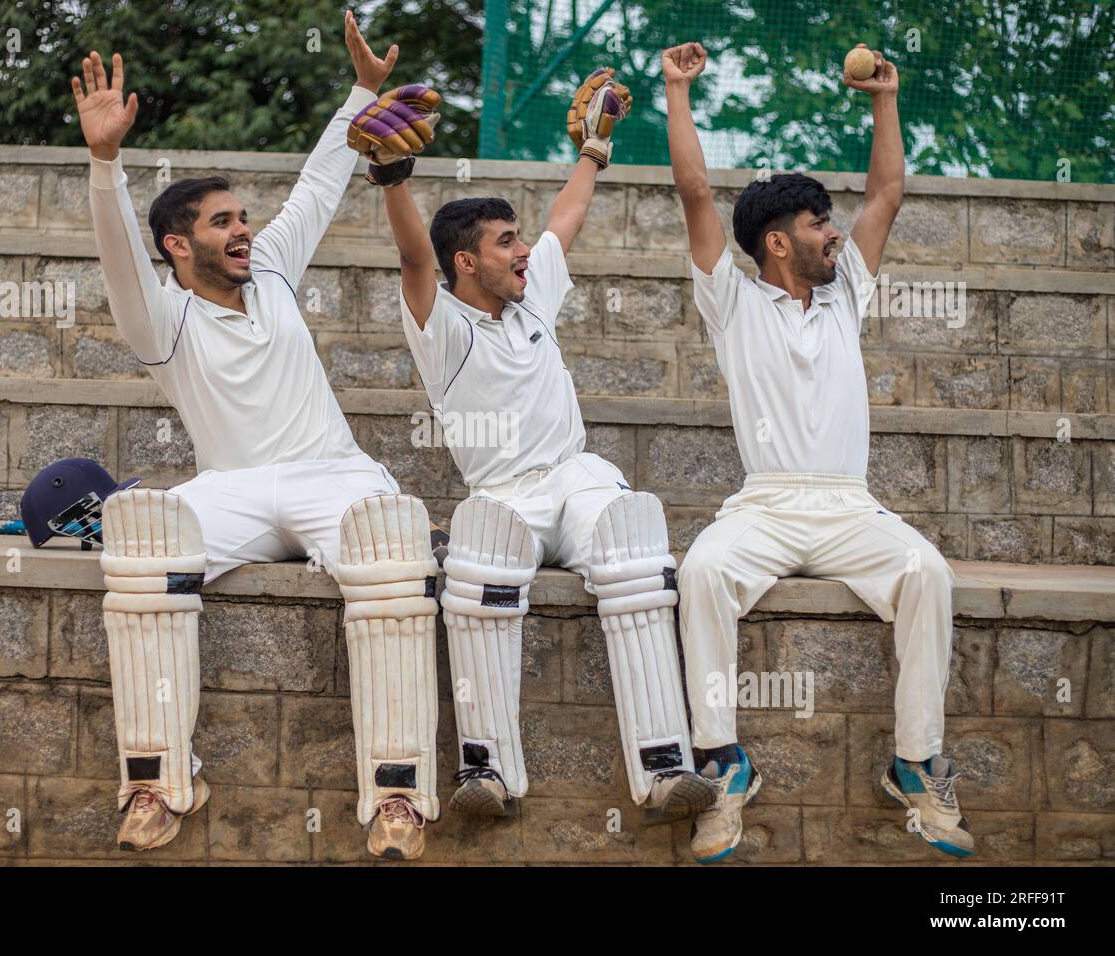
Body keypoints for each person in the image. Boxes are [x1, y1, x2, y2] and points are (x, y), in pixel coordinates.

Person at [72, 11, 440, 861]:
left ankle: (397, 795)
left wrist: (362, 90)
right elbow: (119, 254)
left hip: (331, 476)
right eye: (220, 223)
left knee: (391, 555)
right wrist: (104, 162)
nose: (243, 230)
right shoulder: (159, 319)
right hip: (231, 487)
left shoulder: (270, 267)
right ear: (178, 244)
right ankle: (160, 781)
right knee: (140, 542)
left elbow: (318, 182)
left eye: (243, 216)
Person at [350, 70, 717, 825]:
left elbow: (565, 220)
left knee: (635, 541)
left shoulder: (531, 296)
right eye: (505, 243)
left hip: (577, 480)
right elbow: (416, 259)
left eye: (518, 239)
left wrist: (594, 148)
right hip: (505, 494)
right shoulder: (444, 329)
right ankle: (487, 772)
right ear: (467, 263)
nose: (524, 251)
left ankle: (666, 770)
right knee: (479, 560)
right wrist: (391, 180)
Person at [663, 41, 972, 862]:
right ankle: (725, 765)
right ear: (775, 243)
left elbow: (889, 191)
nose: (835, 234)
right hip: (763, 505)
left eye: (832, 222)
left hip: (847, 505)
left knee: (928, 574)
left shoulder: (846, 295)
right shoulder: (731, 299)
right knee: (700, 572)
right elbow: (694, 191)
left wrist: (885, 99)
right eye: (817, 225)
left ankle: (914, 764)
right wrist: (676, 90)